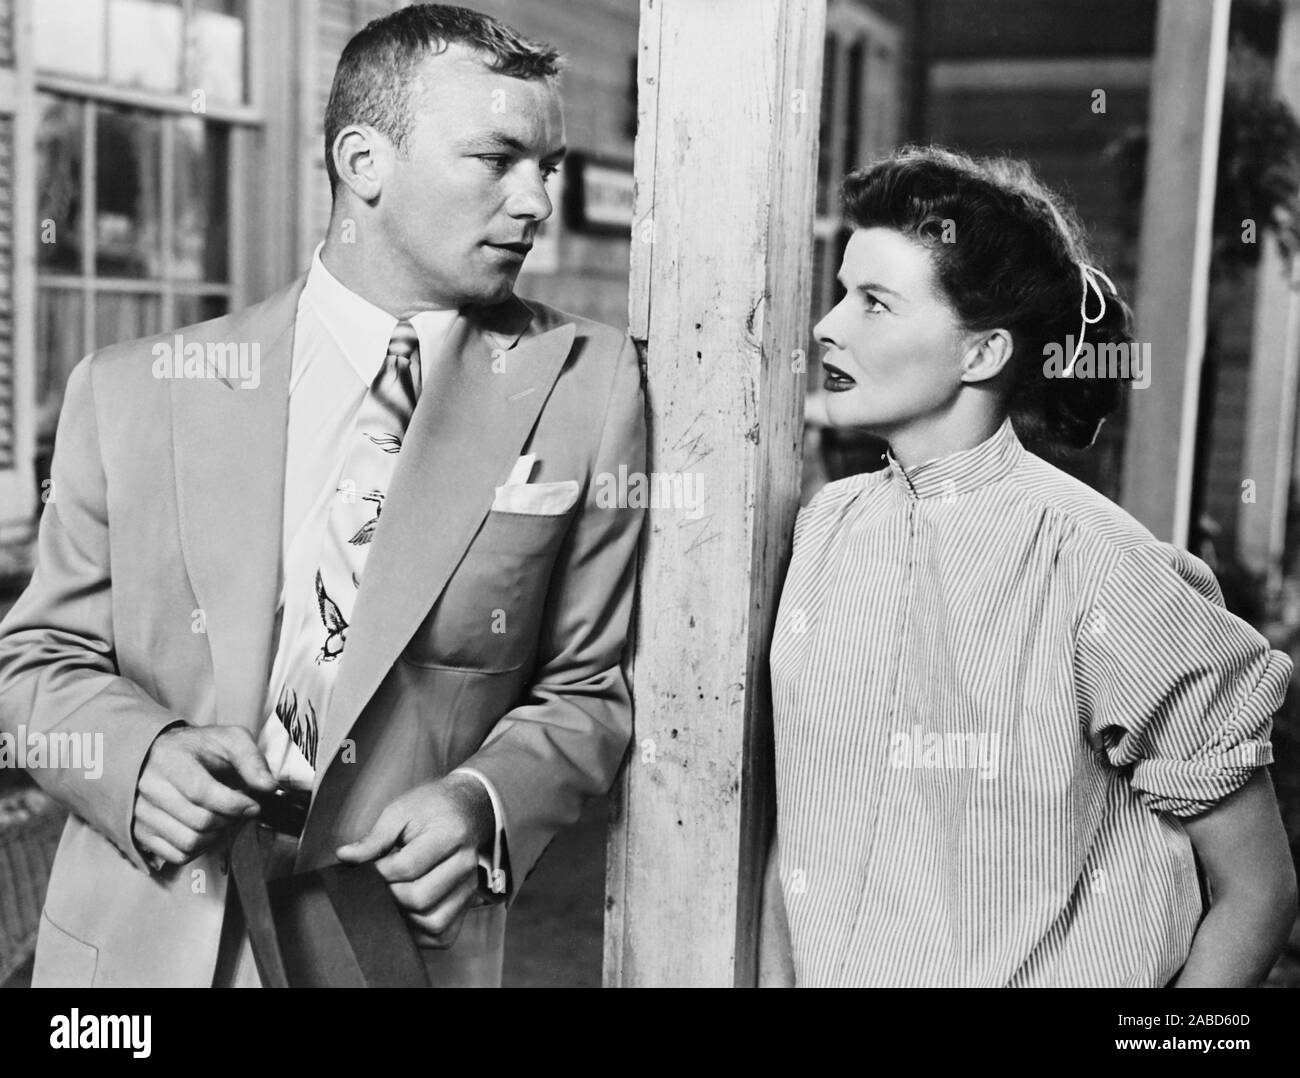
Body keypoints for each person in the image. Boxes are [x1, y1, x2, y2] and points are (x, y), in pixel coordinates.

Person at [0, 4, 644, 987]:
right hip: (129, 954)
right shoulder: (131, 389)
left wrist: (485, 799)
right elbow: (38, 660)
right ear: (362, 163)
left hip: (392, 947)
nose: (535, 202)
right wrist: (135, 758)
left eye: (547, 168)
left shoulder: (589, 385)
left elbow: (588, 683)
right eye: (498, 159)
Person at [759, 146, 1298, 988]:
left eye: (874, 303)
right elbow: (799, 832)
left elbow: (1258, 891)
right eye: (839, 293)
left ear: (981, 355)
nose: (829, 325)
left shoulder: (1108, 570)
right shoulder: (826, 528)